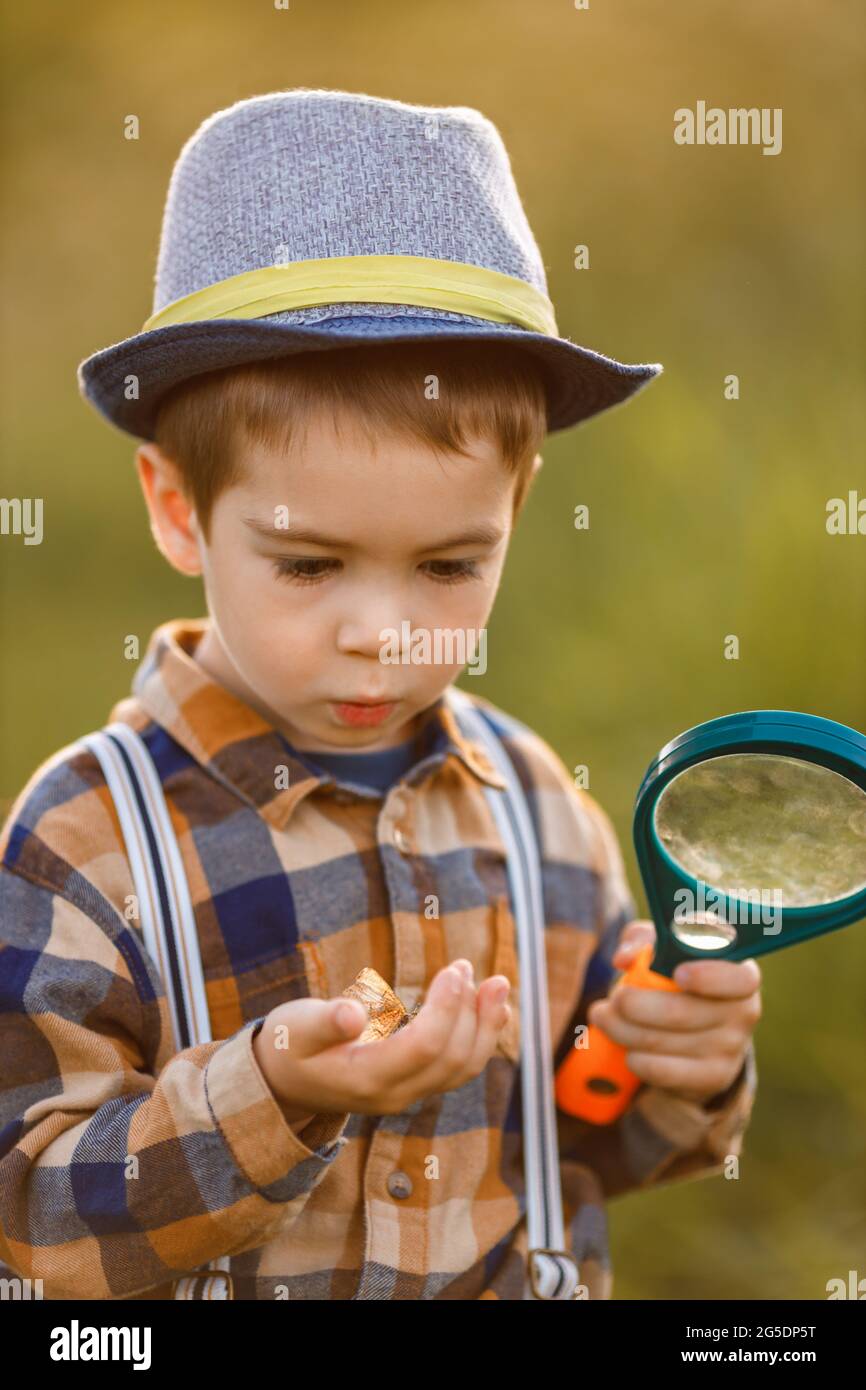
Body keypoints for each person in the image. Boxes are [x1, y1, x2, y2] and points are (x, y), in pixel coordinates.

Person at [0, 89, 759, 1300]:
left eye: (450, 566)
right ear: (177, 508)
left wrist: (681, 1064)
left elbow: (580, 1148)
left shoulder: (534, 810)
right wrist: (273, 1097)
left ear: (514, 512)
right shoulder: (85, 843)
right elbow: (34, 1223)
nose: (385, 634)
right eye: (306, 564)